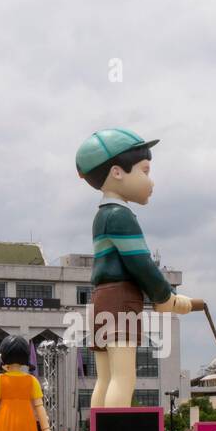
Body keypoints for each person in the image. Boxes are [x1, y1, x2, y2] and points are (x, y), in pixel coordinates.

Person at [75, 129, 204, 407]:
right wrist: (166, 297)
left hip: (100, 299)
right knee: (124, 378)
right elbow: (141, 264)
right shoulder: (120, 216)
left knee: (106, 378)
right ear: (118, 172)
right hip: (121, 299)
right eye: (144, 171)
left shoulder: (102, 216)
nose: (150, 181)